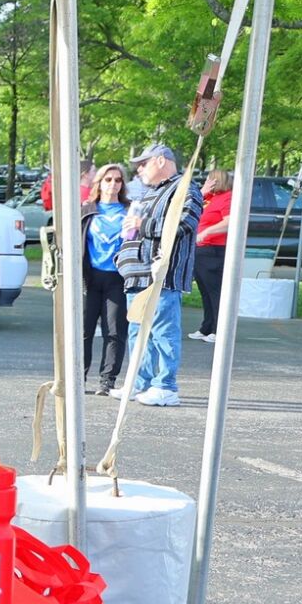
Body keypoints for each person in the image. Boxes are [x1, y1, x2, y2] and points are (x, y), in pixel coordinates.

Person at [114, 143, 202, 408]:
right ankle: (139, 381)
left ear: (161, 161)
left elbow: (185, 223)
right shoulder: (151, 192)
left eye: (144, 163)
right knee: (137, 330)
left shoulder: (185, 188)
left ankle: (165, 386)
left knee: (162, 329)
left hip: (162, 274)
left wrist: (143, 225)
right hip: (137, 273)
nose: (139, 169)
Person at [80, 163, 132, 395]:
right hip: (90, 278)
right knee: (83, 330)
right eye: (108, 179)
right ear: (99, 183)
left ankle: (107, 381)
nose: (113, 184)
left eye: (118, 180)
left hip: (117, 278)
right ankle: (77, 378)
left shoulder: (130, 210)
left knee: (114, 331)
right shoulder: (87, 209)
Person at [191, 169, 232, 343]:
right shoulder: (208, 198)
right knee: (205, 292)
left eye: (210, 180)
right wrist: (202, 192)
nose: (207, 182)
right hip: (200, 249)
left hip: (214, 250)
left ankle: (218, 329)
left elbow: (229, 221)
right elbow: (190, 207)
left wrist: (208, 232)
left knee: (215, 292)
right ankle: (207, 326)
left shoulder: (227, 198)